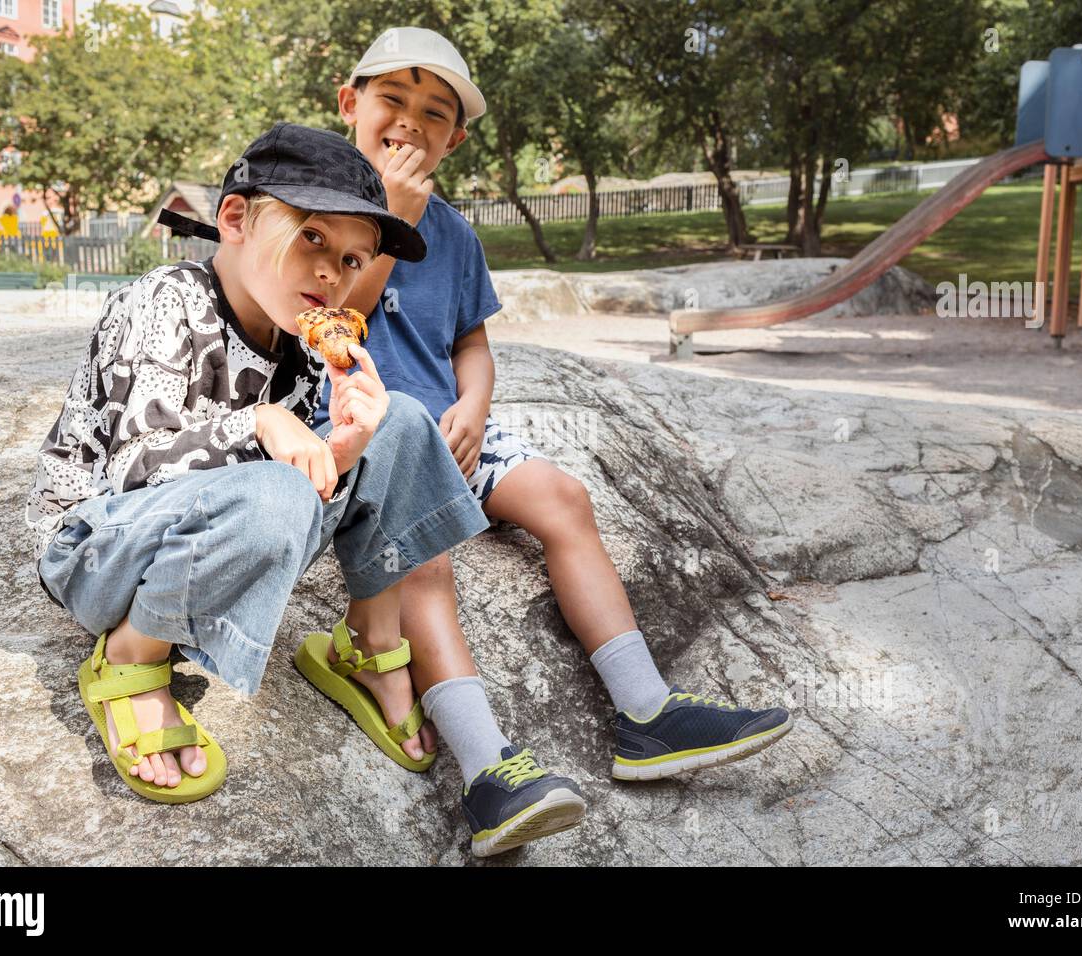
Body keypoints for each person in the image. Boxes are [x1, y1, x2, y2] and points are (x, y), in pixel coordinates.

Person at [319, 27, 793, 855]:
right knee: (425, 563)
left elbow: (471, 340)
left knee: (563, 499)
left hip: (453, 432)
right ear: (349, 103)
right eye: (391, 99)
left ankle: (645, 713)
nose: (411, 124)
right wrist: (390, 223)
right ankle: (489, 773)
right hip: (365, 437)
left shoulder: (457, 233)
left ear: (455, 138)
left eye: (435, 113)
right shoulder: (318, 217)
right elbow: (329, 325)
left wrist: (474, 402)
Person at [25, 122, 490, 804]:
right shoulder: (164, 301)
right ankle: (131, 654)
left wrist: (344, 453)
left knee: (403, 422)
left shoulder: (300, 352)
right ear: (236, 217)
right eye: (313, 238)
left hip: (220, 535)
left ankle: (364, 642)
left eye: (355, 261)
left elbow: (276, 496)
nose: (333, 273)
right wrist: (261, 421)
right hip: (99, 549)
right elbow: (132, 469)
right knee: (278, 495)